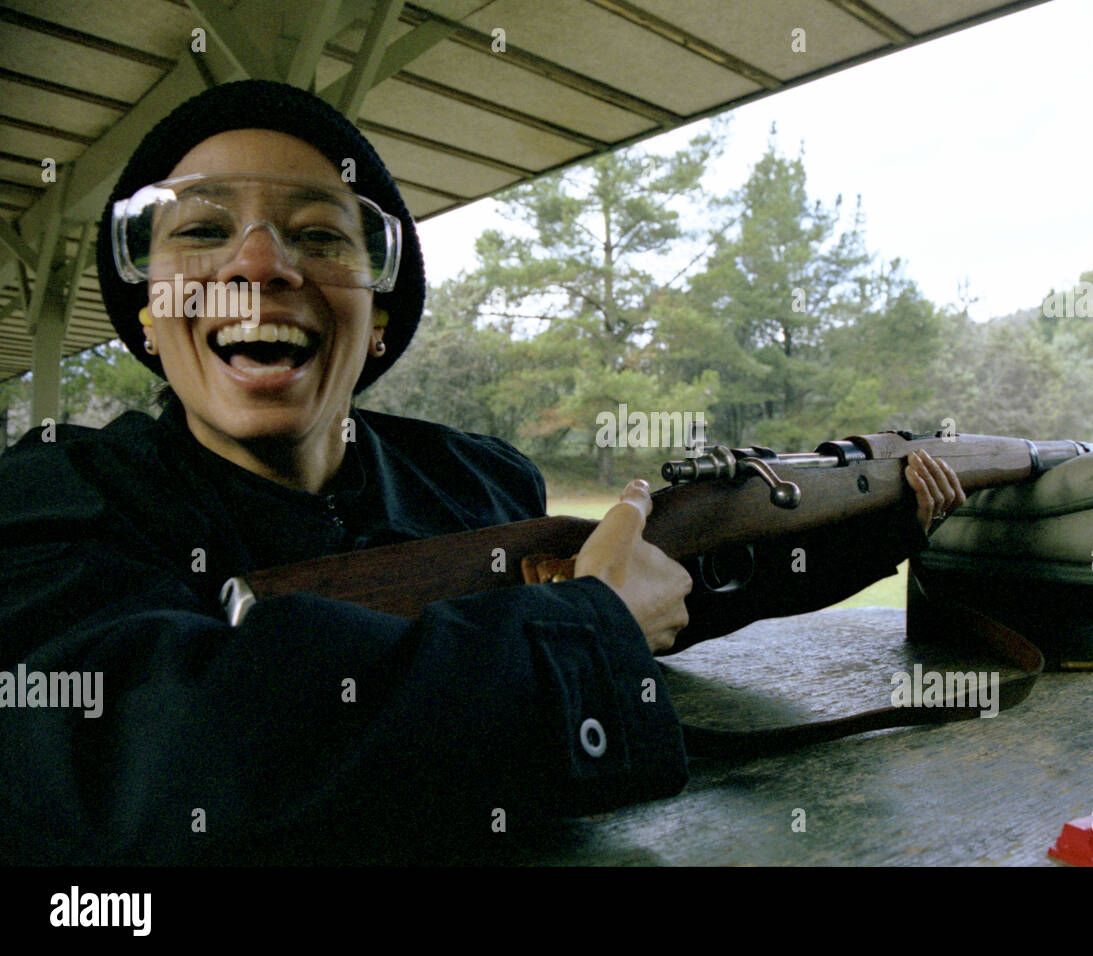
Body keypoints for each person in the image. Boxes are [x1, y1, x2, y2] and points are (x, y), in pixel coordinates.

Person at [0, 81, 965, 865]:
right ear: (148, 311)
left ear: (378, 318)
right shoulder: (55, 497)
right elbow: (130, 766)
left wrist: (869, 523)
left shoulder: (476, 482)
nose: (260, 263)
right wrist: (586, 630)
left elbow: (666, 598)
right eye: (202, 232)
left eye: (323, 235)